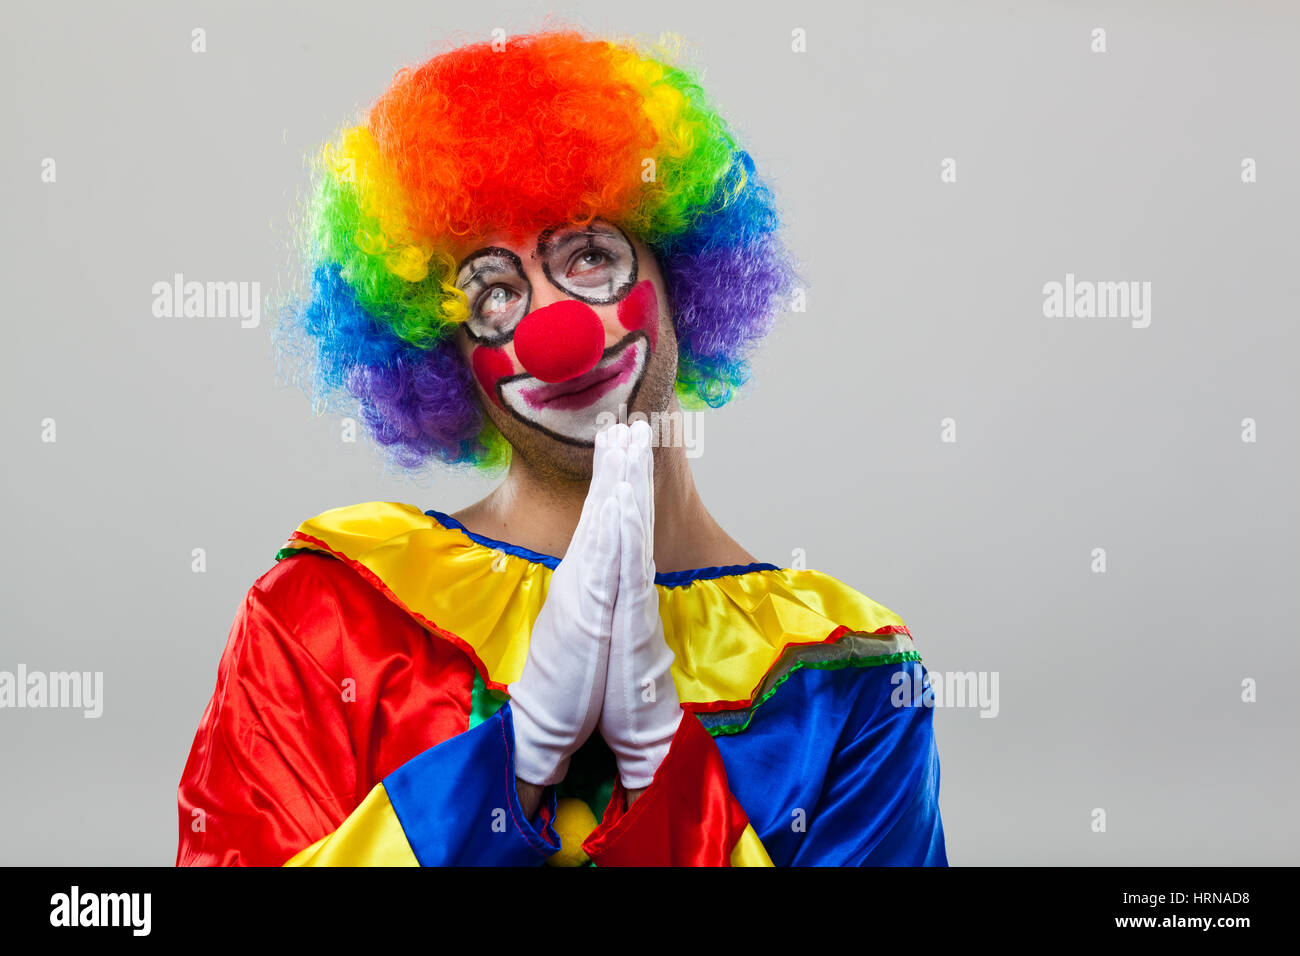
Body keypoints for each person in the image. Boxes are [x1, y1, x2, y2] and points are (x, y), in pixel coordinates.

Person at [175, 27, 948, 867]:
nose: (557, 334)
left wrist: (669, 774)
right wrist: (513, 763)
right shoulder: (331, 615)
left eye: (588, 256)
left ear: (681, 274)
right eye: (496, 292)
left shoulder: (846, 677)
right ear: (445, 354)